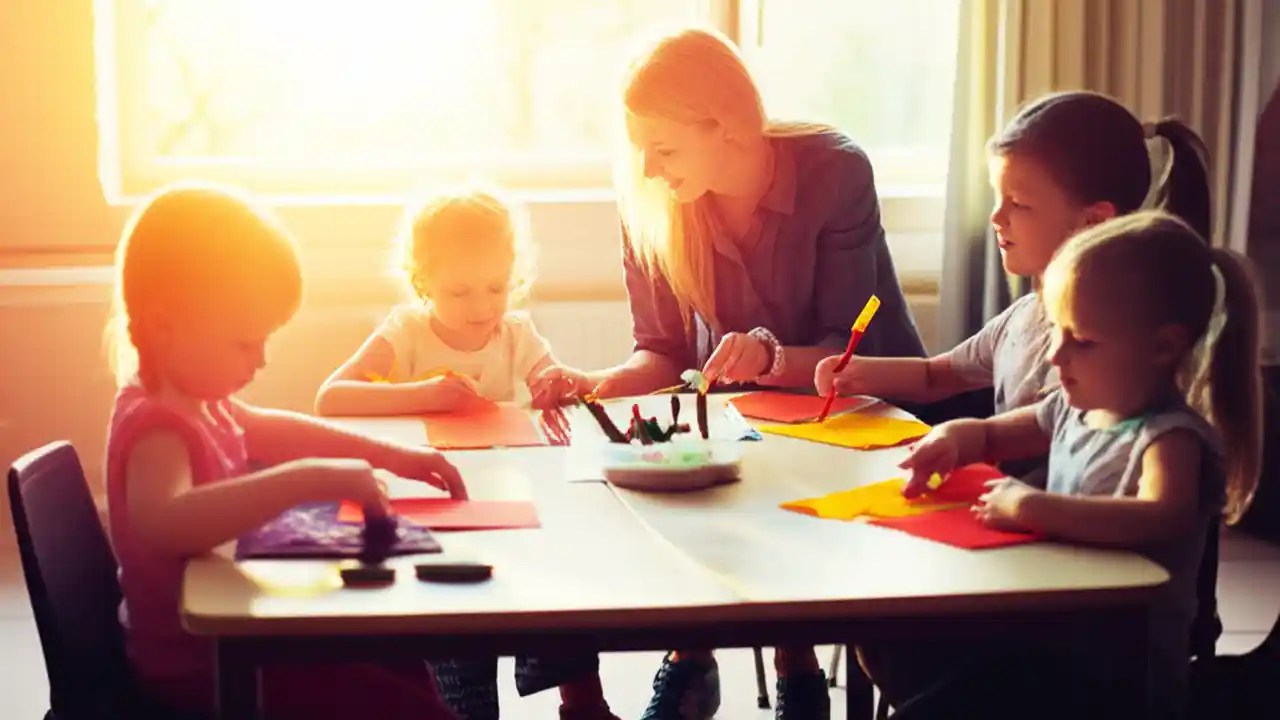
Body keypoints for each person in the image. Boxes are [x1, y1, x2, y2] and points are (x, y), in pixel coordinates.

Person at [534, 26, 927, 720]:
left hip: (861, 411)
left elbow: (849, 345)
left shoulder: (835, 172)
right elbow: (660, 353)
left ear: (726, 127)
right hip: (750, 422)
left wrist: (771, 358)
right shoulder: (655, 203)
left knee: (761, 494)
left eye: (664, 148)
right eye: (640, 150)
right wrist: (589, 383)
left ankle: (772, 664)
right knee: (680, 483)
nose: (649, 170)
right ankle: (699, 658)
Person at [866, 210, 1261, 719]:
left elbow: (1163, 514)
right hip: (1049, 643)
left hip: (1115, 682)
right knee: (893, 640)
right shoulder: (1072, 406)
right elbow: (991, 434)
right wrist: (955, 437)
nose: (1056, 356)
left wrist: (1036, 507)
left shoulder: (1170, 438)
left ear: (1163, 346)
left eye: (1083, 340)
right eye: (1058, 331)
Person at [103, 183, 467, 719]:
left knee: (398, 657)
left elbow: (273, 429)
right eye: (244, 342)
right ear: (163, 325)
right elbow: (165, 520)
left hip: (235, 634)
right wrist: (311, 479)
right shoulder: (157, 423)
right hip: (201, 667)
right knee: (392, 698)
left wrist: (393, 455)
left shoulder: (202, 401)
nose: (262, 360)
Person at [315, 185, 617, 720]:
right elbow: (331, 398)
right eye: (459, 292)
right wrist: (423, 394)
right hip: (438, 497)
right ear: (422, 281)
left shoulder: (516, 331)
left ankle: (584, 704)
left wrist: (556, 384)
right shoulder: (405, 331)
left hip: (516, 494)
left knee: (561, 584)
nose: (481, 307)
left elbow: (551, 381)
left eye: (496, 287)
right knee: (457, 612)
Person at [815, 90, 1216, 484]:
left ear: (1093, 222)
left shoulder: (1115, 345)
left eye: (1019, 203)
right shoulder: (1020, 319)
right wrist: (858, 373)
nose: (996, 216)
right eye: (998, 197)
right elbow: (935, 376)